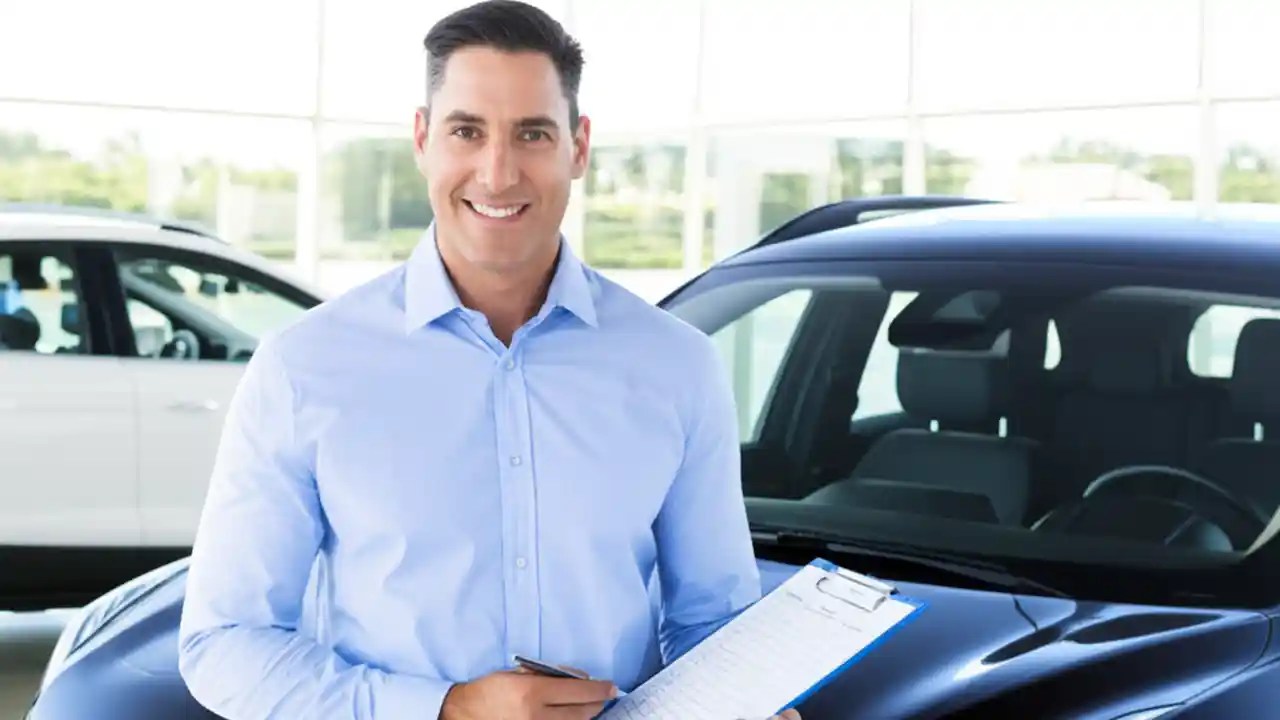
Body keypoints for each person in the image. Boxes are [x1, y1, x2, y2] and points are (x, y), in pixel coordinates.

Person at [177, 2, 802, 718]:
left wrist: (748, 701)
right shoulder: (304, 368)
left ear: (578, 146)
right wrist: (448, 710)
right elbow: (225, 643)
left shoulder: (677, 366)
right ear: (423, 140)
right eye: (466, 131)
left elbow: (712, 625)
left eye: (532, 133)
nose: (498, 172)